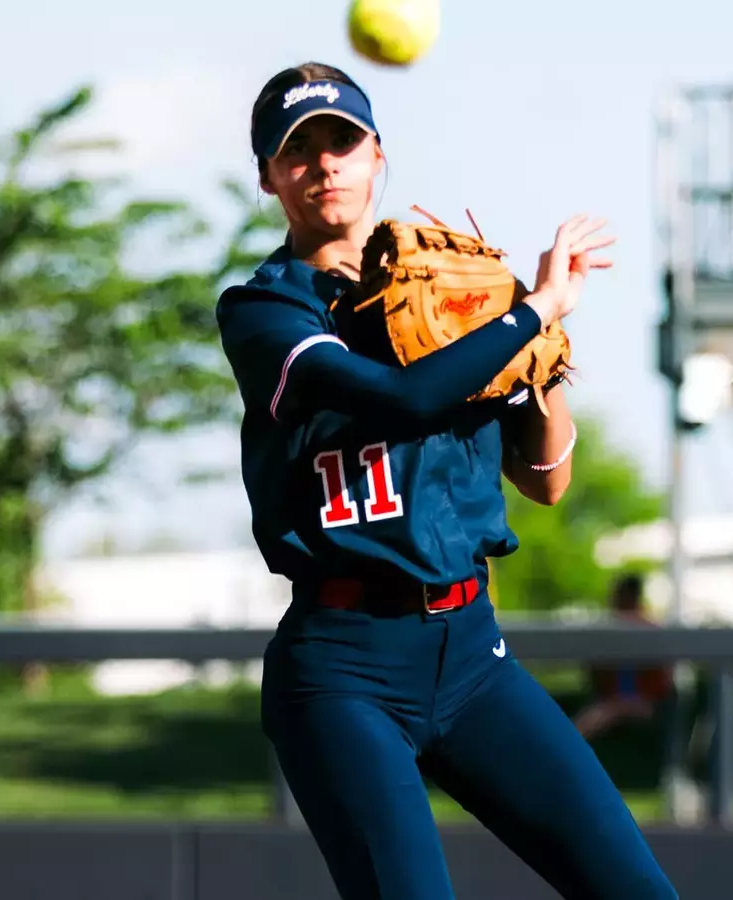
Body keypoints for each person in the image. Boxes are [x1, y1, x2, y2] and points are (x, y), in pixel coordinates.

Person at [215, 62, 678, 900]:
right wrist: (534, 311)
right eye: (299, 149)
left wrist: (537, 368)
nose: (325, 164)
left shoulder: (453, 292)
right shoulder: (265, 311)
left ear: (376, 156)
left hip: (472, 654)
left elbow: (546, 480)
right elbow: (403, 397)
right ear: (268, 177)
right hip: (342, 667)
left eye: (342, 142)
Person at [573, 573, 675, 741]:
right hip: (615, 701)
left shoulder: (649, 629)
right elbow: (594, 673)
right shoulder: (610, 631)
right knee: (599, 715)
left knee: (593, 719)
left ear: (628, 596)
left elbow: (664, 681)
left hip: (644, 704)